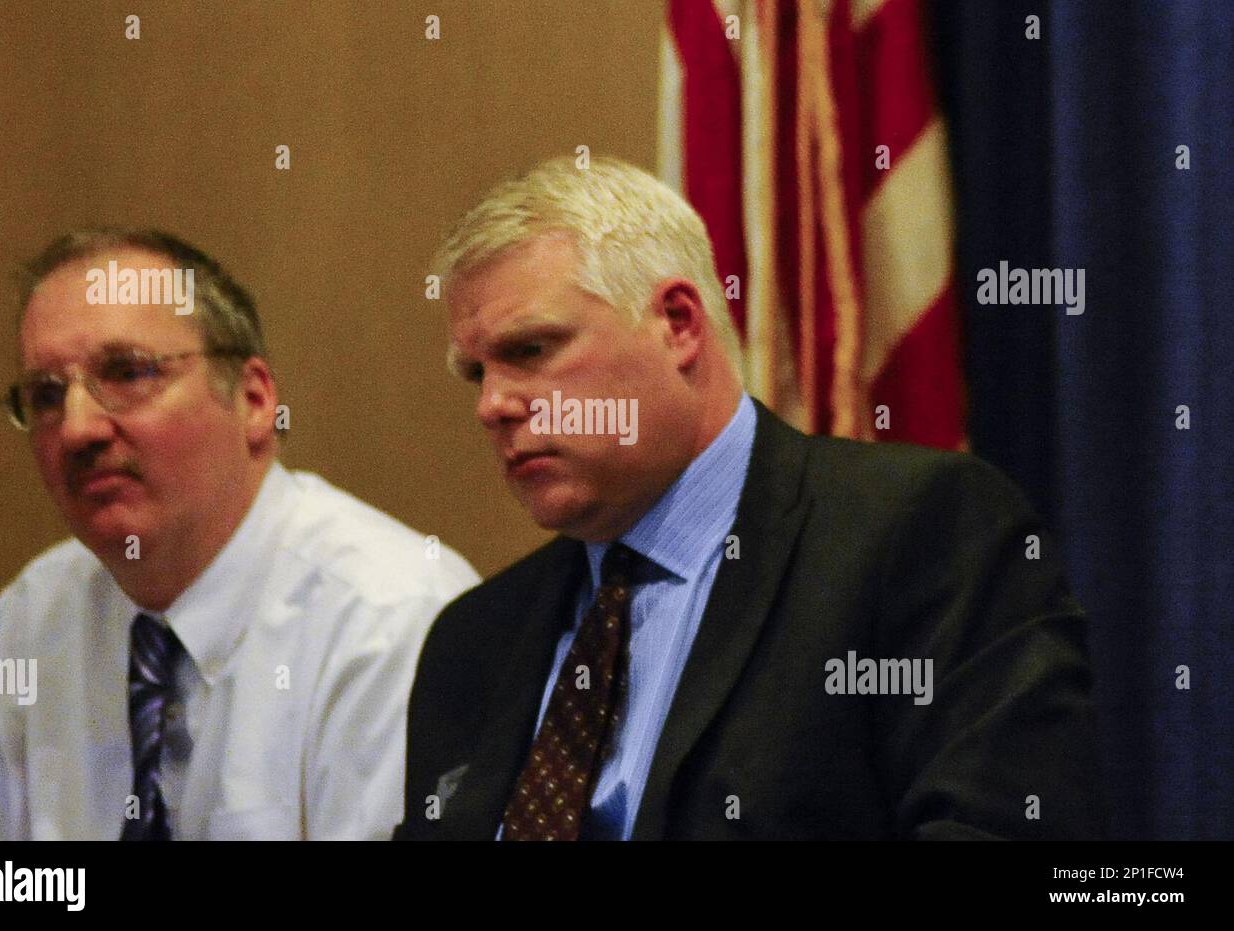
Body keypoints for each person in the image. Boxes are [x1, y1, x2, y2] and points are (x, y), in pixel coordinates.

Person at [394, 156, 1107, 841]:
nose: (493, 405)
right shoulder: (473, 643)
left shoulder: (921, 536)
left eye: (530, 351)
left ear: (678, 323)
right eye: (475, 374)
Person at [0, 228, 478, 840]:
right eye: (46, 395)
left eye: (128, 372)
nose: (78, 429)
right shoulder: (38, 610)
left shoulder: (389, 616)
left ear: (252, 400)